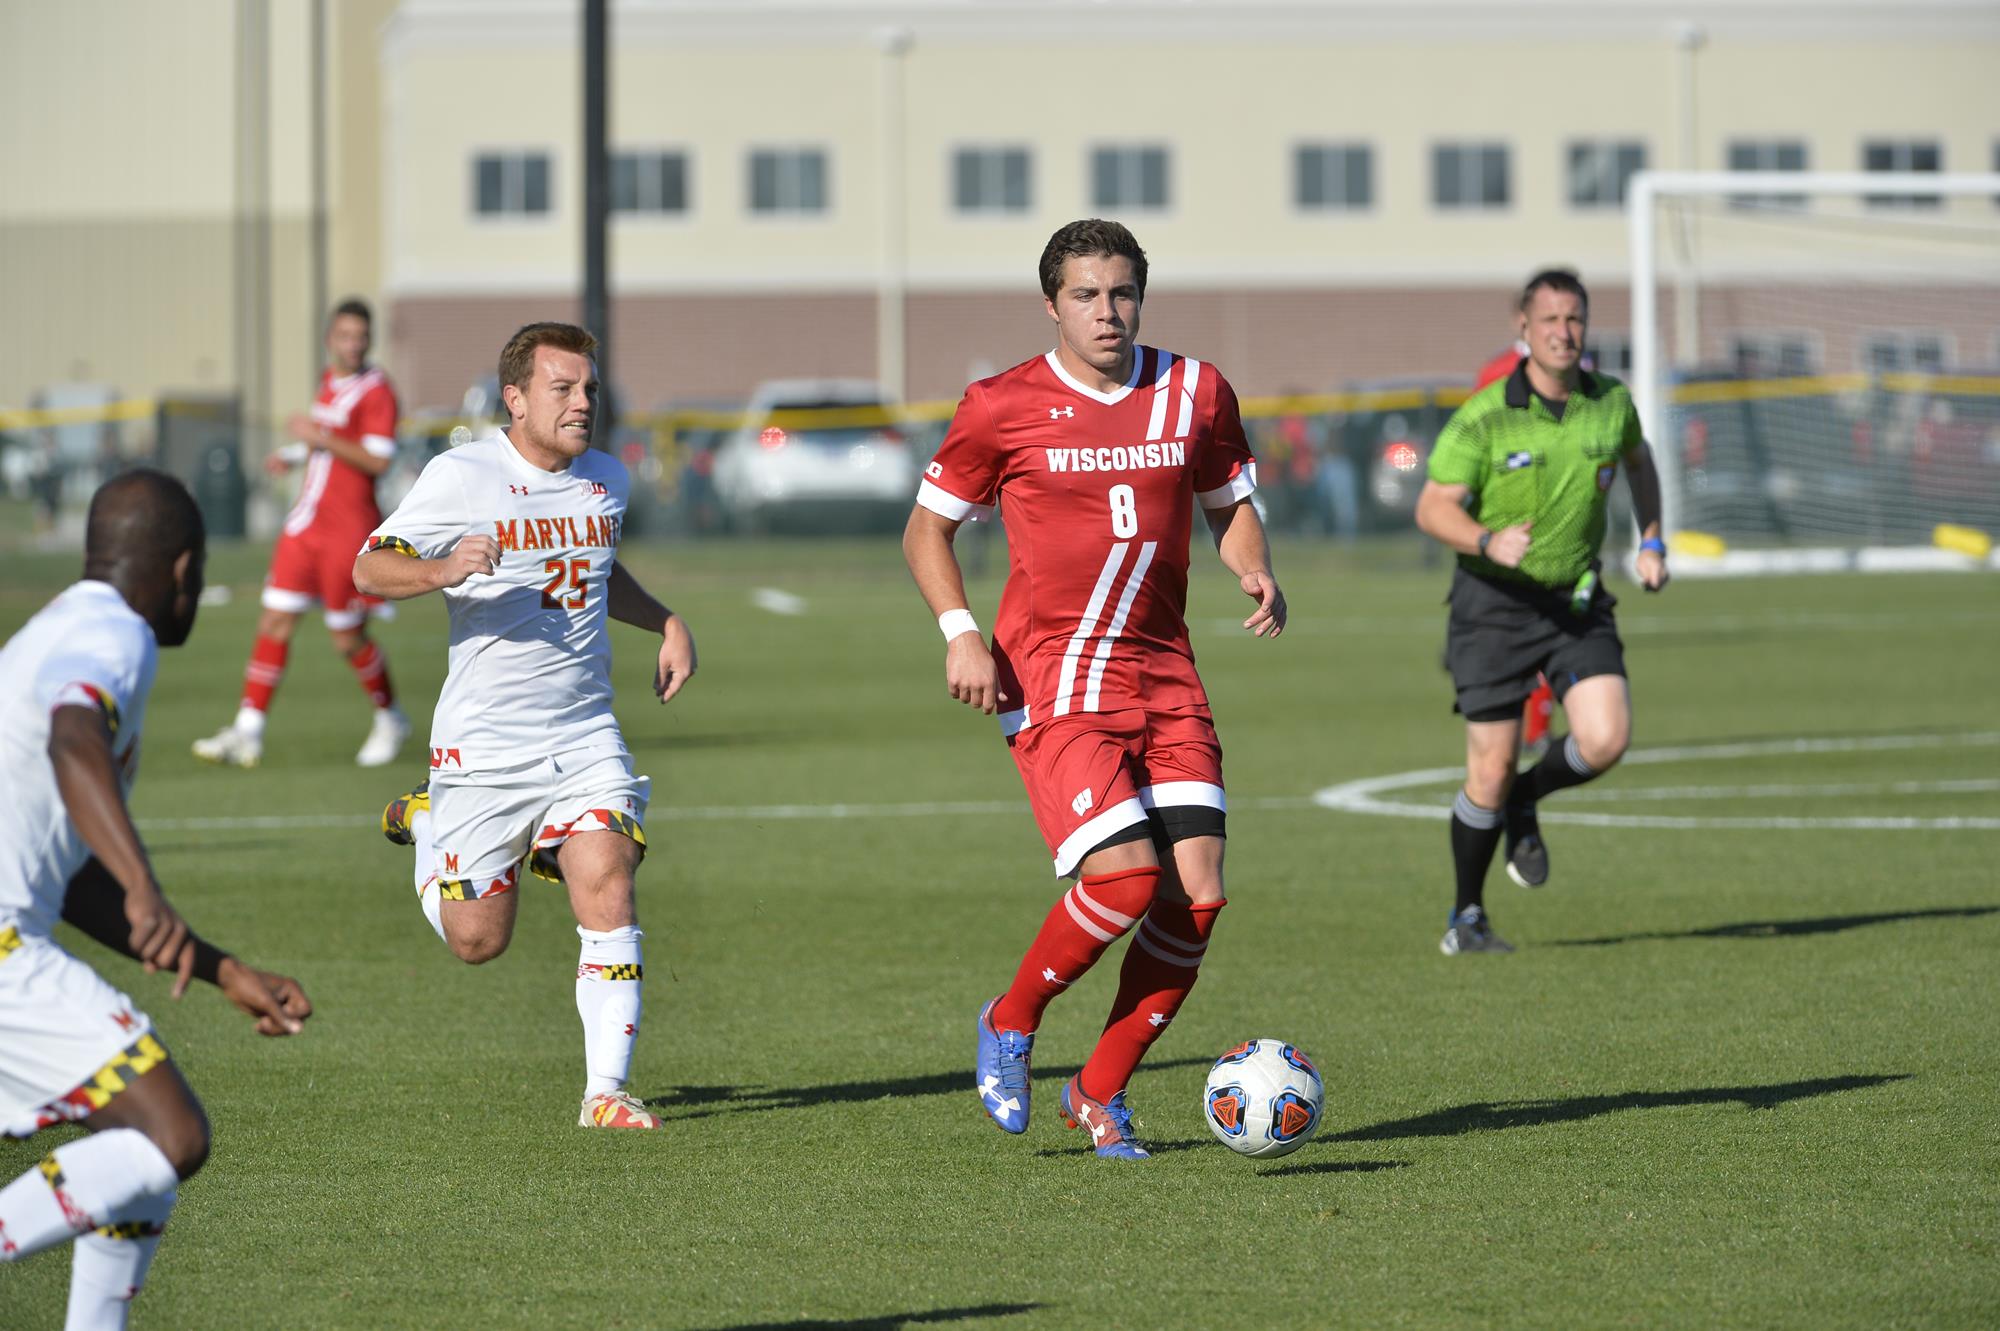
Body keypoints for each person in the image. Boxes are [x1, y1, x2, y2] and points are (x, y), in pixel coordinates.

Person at [903, 219, 1286, 1160]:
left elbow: (1229, 504)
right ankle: (1011, 1016)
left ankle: (1099, 1091)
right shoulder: (1001, 404)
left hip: (1165, 671)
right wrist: (961, 634)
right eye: (1085, 295)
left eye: (1121, 293)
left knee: (1198, 895)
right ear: (1052, 305)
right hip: (1055, 675)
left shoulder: (1195, 391)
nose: (1106, 312)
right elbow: (925, 531)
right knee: (1125, 876)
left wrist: (1255, 567)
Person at [355, 322, 697, 1132]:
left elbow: (597, 569)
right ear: (515, 398)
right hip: (482, 747)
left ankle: (605, 1093)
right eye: (562, 388)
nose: (582, 404)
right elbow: (369, 566)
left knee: (608, 878)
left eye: (589, 390)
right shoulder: (463, 475)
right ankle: (428, 819)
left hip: (584, 734)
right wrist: (443, 567)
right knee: (478, 941)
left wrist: (666, 620)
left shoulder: (606, 479)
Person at [0, 470, 313, 1328]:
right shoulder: (116, 634)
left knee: (137, 1161)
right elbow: (74, 736)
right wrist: (144, 881)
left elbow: (70, 877)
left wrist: (223, 969)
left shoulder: (61, 625)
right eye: (200, 572)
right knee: (169, 1135)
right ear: (182, 569)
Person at [1415, 269, 1669, 956]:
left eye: (1575, 318)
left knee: (1606, 737)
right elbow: (1432, 507)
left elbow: (1640, 462)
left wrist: (1651, 539)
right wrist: (1485, 539)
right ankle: (1466, 917)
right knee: (1489, 770)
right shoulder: (1486, 414)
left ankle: (1527, 798)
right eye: (1550, 319)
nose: (1564, 331)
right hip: (1492, 607)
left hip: (1575, 602)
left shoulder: (1611, 402)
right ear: (1523, 327)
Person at [193, 298, 410, 769]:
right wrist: (294, 454)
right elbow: (327, 443)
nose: (353, 345)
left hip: (346, 530)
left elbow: (378, 459)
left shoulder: (377, 390)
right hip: (305, 524)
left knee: (346, 638)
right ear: (330, 339)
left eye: (361, 337)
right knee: (274, 620)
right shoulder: (328, 380)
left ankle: (391, 717)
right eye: (345, 336)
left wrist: (316, 438)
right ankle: (248, 731)